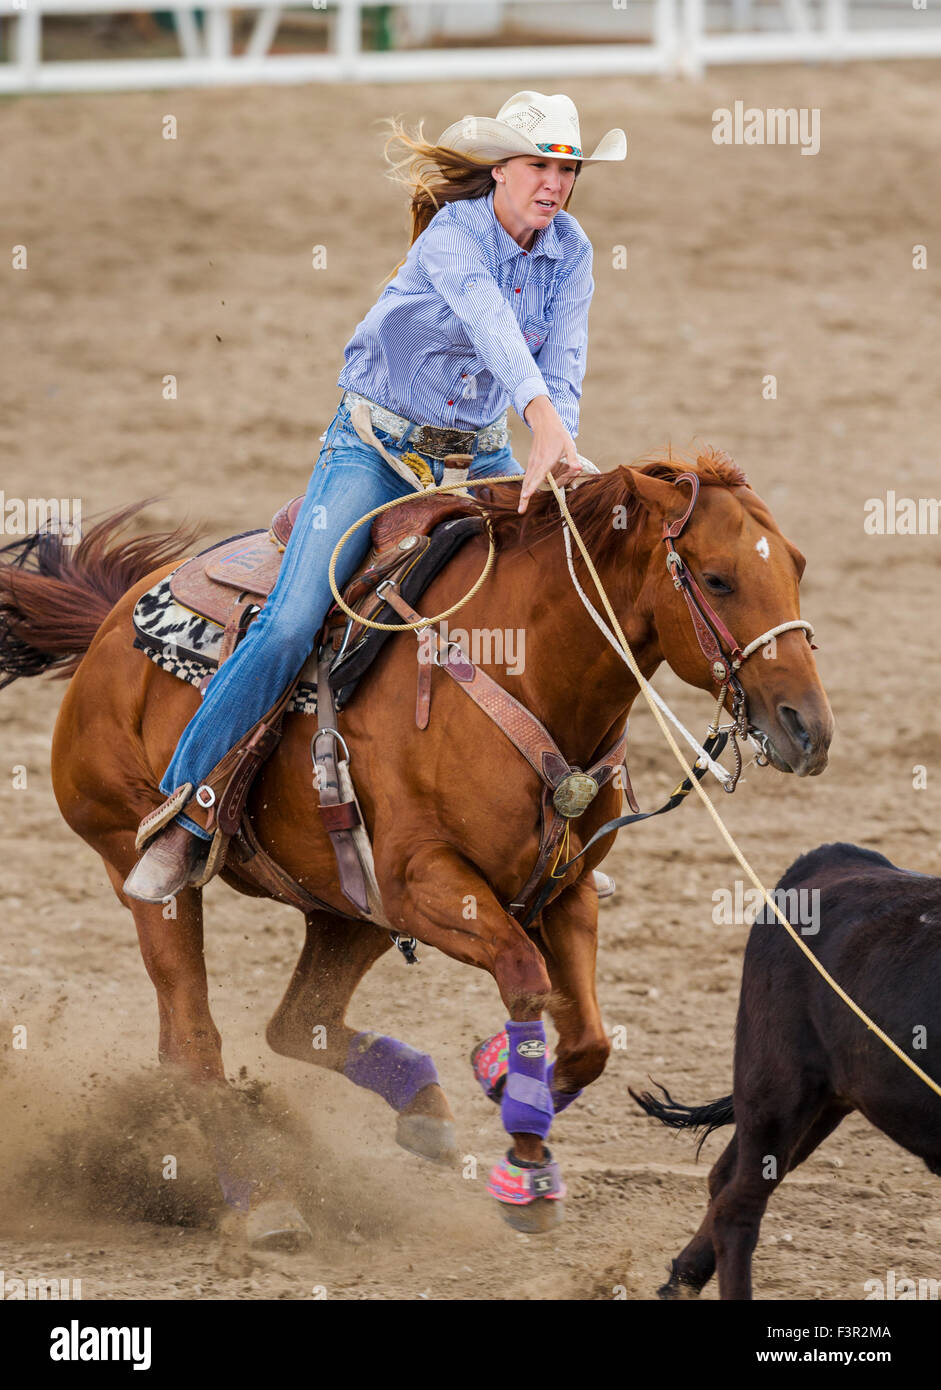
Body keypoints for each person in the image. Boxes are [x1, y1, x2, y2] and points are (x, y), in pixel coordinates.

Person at [124, 90, 627, 903]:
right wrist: (537, 417)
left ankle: (552, 825)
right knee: (290, 621)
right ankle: (188, 811)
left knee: (548, 602)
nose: (555, 184)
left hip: (482, 451)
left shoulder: (571, 251)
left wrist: (556, 440)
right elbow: (493, 325)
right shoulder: (454, 236)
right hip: (375, 449)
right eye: (540, 165)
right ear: (499, 169)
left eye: (566, 169)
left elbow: (561, 358)